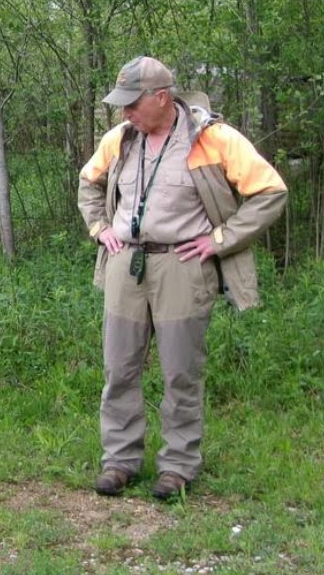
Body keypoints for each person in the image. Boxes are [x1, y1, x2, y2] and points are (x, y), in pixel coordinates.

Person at [77, 56, 287, 500]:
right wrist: (101, 229)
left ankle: (178, 466)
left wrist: (221, 239)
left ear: (162, 97)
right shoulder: (120, 138)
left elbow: (270, 192)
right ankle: (119, 461)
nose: (125, 113)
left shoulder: (212, 139)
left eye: (132, 104)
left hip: (182, 266)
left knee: (180, 372)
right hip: (126, 264)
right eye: (121, 105)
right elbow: (88, 183)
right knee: (119, 368)